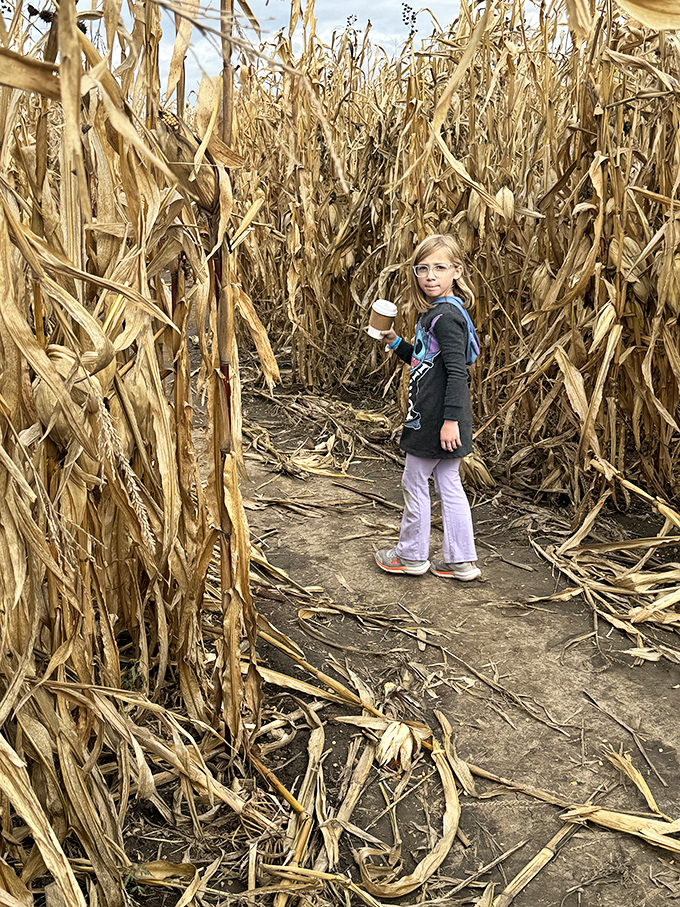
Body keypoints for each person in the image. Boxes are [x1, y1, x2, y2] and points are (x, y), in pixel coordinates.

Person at [374, 233, 481, 581]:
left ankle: (410, 556)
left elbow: (457, 373)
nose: (430, 276)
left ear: (457, 271)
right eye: (422, 268)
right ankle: (460, 561)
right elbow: (425, 362)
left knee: (415, 480)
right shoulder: (438, 313)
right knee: (448, 483)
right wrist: (396, 343)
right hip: (445, 417)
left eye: (440, 267)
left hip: (435, 419)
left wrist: (449, 421)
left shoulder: (445, 317)